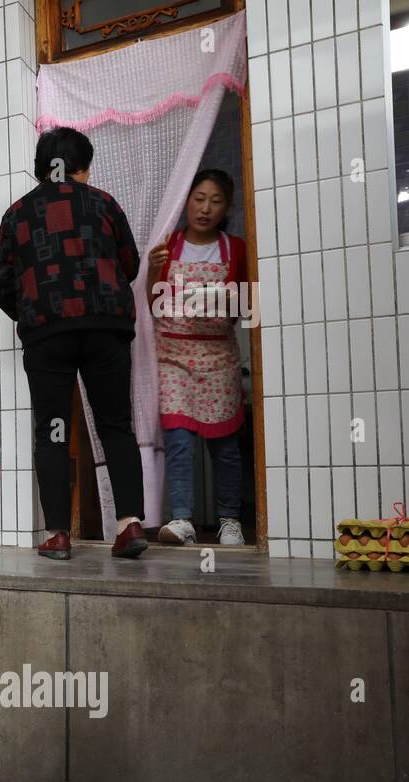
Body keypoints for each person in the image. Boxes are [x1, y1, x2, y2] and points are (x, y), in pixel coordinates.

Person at [0, 126, 148, 560]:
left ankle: (58, 534)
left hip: (47, 336)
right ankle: (130, 525)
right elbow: (130, 265)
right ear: (81, 166)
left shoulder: (18, 214)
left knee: (53, 431)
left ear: (44, 167)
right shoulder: (104, 204)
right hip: (106, 330)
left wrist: (34, 315)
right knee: (115, 425)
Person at [147, 169, 248, 546]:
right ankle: (183, 519)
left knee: (225, 447)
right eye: (199, 198)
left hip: (219, 356)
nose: (205, 208)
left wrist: (221, 302)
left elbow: (247, 308)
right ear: (185, 200)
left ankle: (229, 520)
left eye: (216, 201)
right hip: (172, 356)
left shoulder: (235, 248)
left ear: (226, 208)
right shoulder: (166, 245)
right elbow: (153, 305)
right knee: (178, 440)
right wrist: (153, 272)